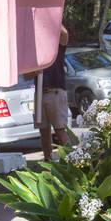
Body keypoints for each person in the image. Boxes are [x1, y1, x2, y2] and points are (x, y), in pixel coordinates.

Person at [38, 27, 71, 161]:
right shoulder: (35, 53)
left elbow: (65, 33)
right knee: (43, 132)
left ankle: (73, 162)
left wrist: (51, 18)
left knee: (60, 130)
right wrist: (34, 70)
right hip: (39, 94)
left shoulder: (57, 47)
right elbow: (27, 75)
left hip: (55, 92)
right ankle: (48, 162)